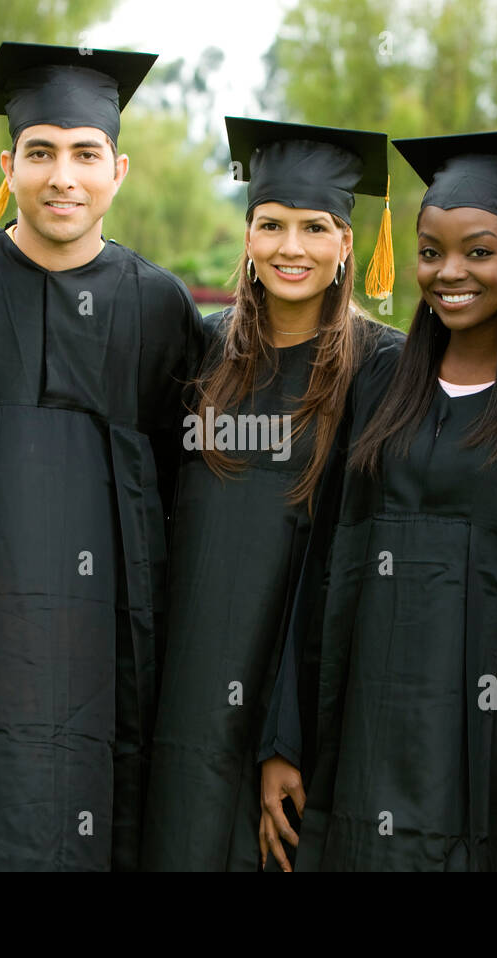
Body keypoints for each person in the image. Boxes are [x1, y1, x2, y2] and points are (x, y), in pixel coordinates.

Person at [257, 129, 497, 872]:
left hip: (485, 759)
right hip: (357, 738)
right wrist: (285, 740)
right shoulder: (377, 382)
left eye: (478, 251)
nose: (449, 272)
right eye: (430, 251)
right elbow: (319, 565)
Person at [0, 42, 203, 871]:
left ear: (120, 169)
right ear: (10, 165)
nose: (62, 176)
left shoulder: (160, 306)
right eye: (40, 153)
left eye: (85, 154)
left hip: (105, 647)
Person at [141, 118, 404, 871]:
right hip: (191, 671)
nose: (293, 247)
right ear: (248, 235)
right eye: (272, 225)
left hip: (298, 676)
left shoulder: (386, 368)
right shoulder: (202, 350)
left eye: (316, 227)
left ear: (348, 243)